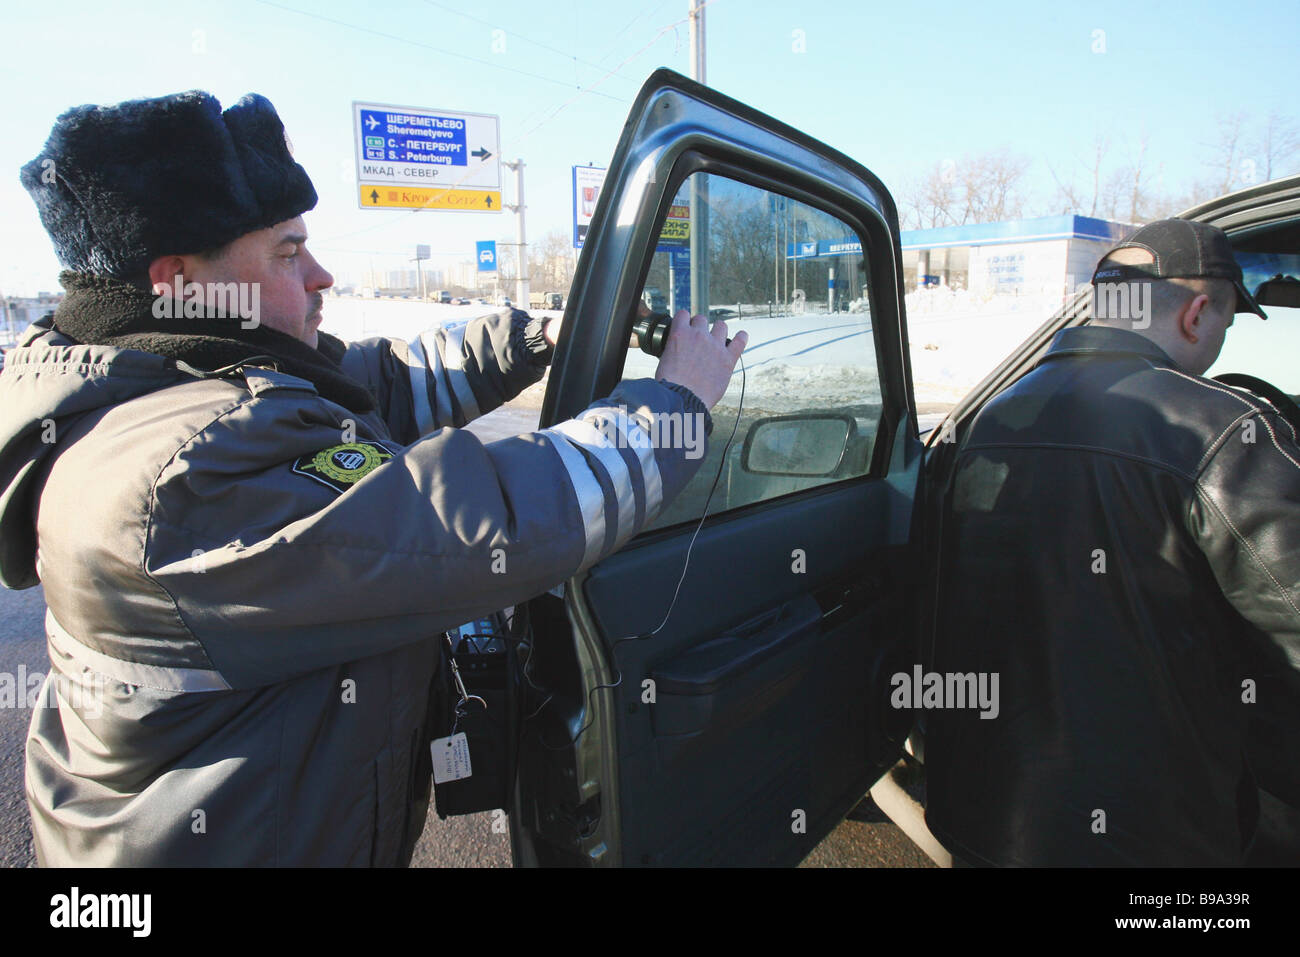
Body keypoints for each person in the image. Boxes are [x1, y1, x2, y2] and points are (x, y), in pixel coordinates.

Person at [4, 90, 746, 865]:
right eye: (288, 253)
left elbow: (380, 385)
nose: (321, 274)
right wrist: (676, 406)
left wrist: (542, 335)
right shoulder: (189, 467)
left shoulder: (176, 379)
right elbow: (487, 525)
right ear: (181, 282)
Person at [924, 218, 1300, 866]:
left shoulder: (992, 416)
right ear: (1198, 313)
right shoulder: (1224, 431)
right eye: (1229, 325)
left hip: (984, 823)